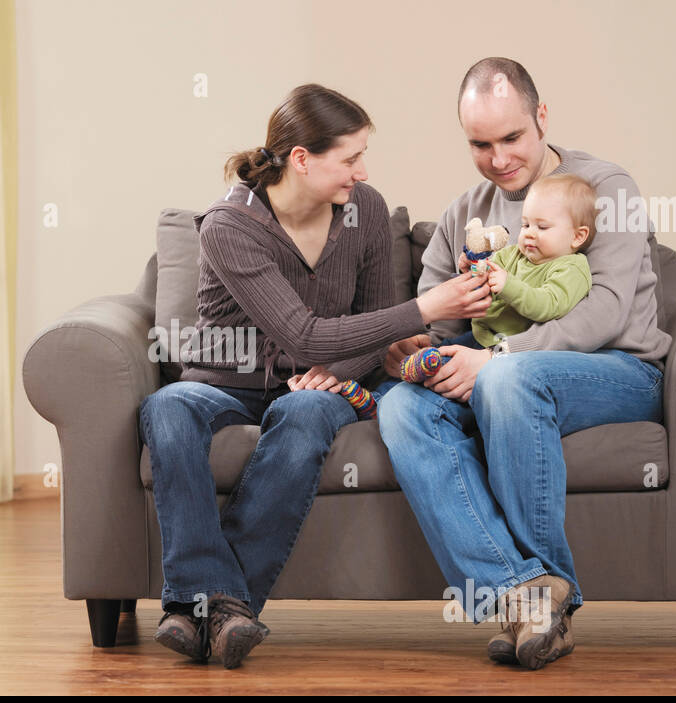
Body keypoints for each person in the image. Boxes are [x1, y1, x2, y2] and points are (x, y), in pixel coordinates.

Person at [138, 84, 491, 669]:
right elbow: (302, 334)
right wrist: (429, 307)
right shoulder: (229, 226)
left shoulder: (367, 210)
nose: (362, 170)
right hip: (225, 378)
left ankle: (203, 610)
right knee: (167, 408)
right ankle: (219, 604)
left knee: (303, 415)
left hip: (324, 384)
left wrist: (336, 371)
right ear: (302, 159)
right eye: (350, 157)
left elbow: (376, 326)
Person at [377, 58, 672, 670]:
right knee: (403, 405)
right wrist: (415, 350)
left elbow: (609, 312)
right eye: (480, 144)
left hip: (614, 371)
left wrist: (494, 357)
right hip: (503, 370)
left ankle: (542, 593)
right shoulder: (465, 212)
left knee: (506, 375)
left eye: (511, 138)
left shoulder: (603, 189)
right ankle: (525, 596)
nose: (499, 158)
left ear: (541, 118)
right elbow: (438, 324)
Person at [436, 173, 597, 351]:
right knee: (440, 351)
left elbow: (548, 305)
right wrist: (473, 270)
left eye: (542, 227)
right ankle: (424, 362)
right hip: (482, 335)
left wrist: (508, 285)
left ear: (577, 236)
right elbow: (484, 289)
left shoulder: (571, 268)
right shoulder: (513, 254)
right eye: (525, 225)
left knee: (450, 363)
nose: (529, 233)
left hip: (516, 348)